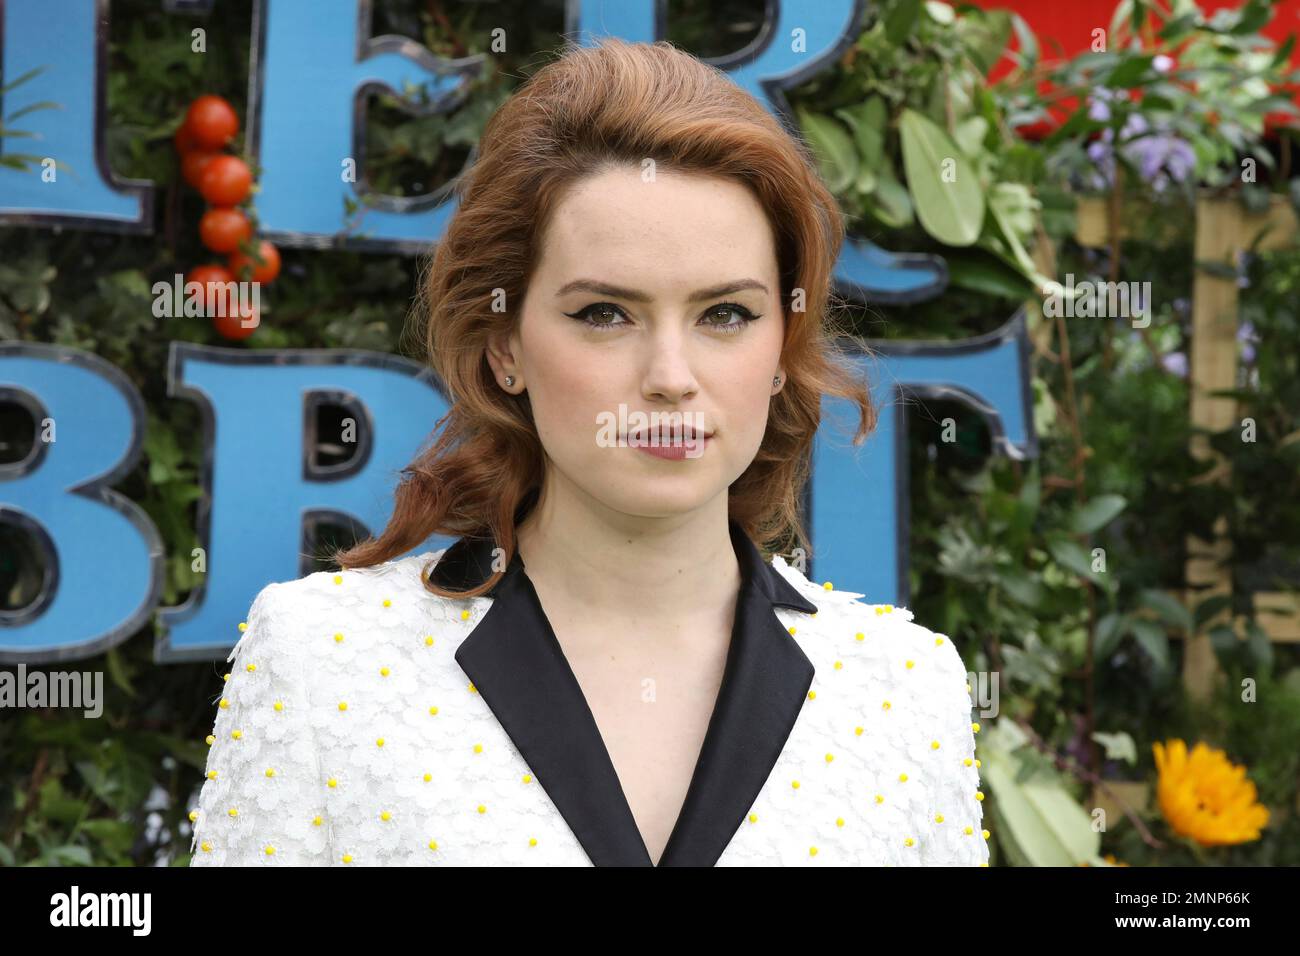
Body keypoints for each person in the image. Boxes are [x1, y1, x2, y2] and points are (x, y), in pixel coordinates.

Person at [189, 37, 988, 867]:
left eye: (726, 315)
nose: (671, 378)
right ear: (505, 345)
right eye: (605, 312)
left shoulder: (904, 688)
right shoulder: (324, 663)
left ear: (784, 346)